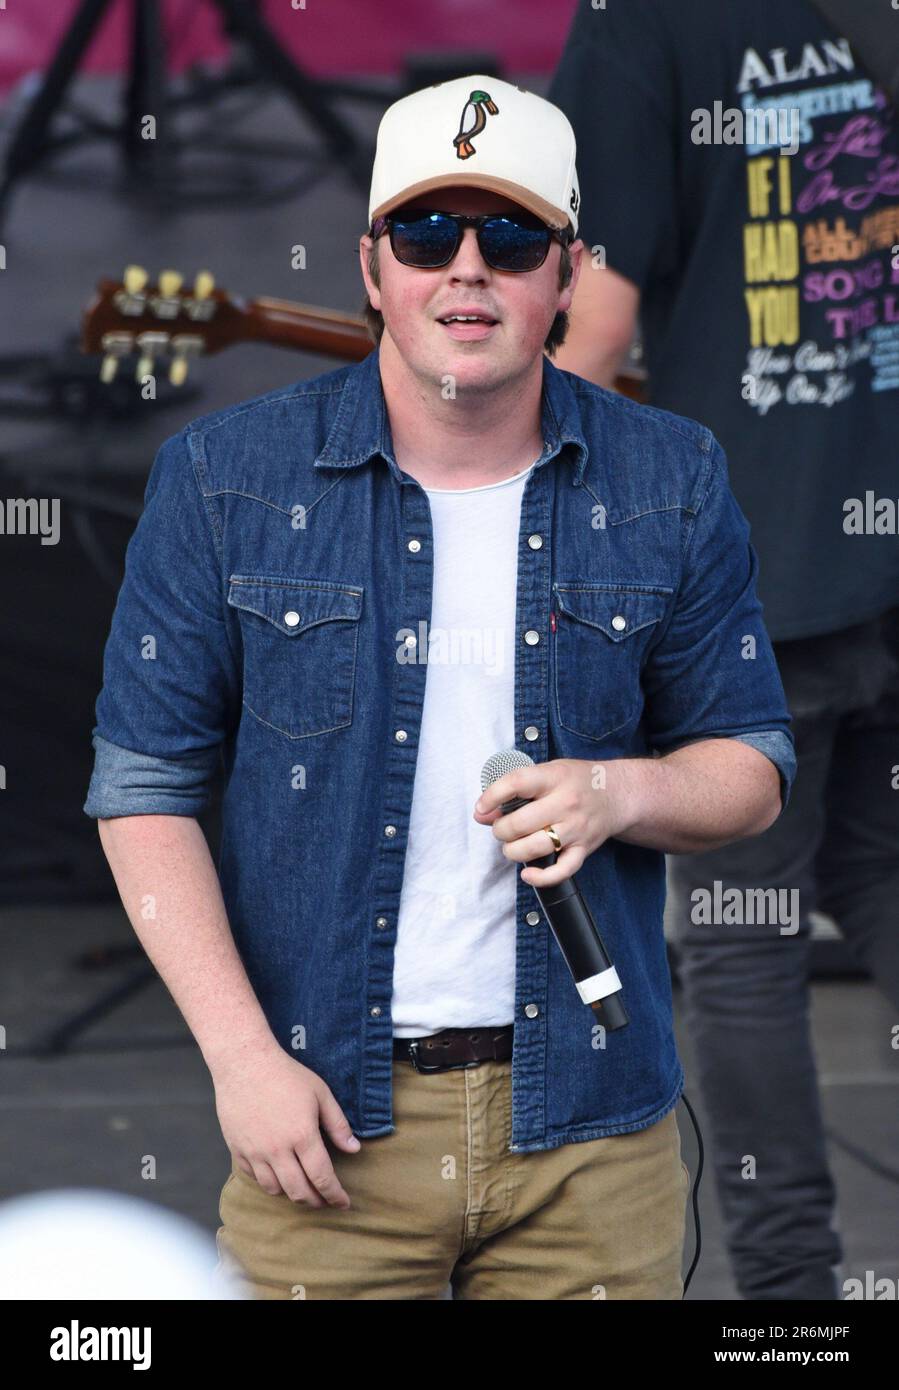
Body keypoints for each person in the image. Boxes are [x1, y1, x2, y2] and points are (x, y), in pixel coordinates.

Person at [83, 74, 795, 1301]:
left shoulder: (670, 474)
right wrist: (240, 1059)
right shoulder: (222, 478)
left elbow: (752, 764)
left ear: (566, 275)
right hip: (324, 1127)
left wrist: (619, 794)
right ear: (373, 266)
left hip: (592, 1134)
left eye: (509, 237)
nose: (467, 269)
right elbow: (141, 783)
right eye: (427, 233)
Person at [548, 0, 899, 1301]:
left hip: (755, 560)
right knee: (878, 867)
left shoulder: (641, 26)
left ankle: (789, 1296)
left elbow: (583, 336)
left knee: (740, 941)